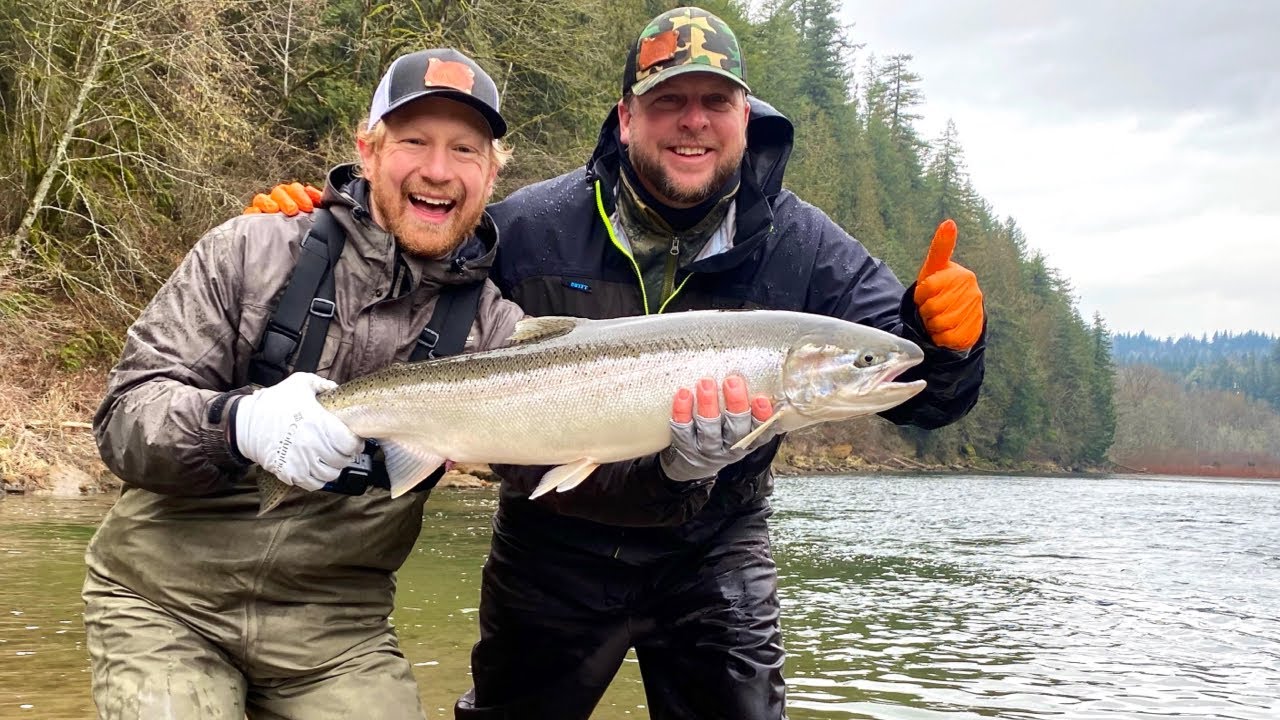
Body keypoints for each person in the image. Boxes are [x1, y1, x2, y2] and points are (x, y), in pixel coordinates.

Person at [254, 8, 986, 718]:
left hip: (715, 546)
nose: (693, 121)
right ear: (627, 117)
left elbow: (916, 393)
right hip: (553, 541)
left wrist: (948, 347)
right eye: (668, 101)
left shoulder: (808, 247)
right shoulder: (533, 225)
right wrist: (323, 229)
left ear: (746, 114)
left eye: (715, 101)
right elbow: (415, 266)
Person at [84, 48, 527, 719]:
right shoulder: (250, 249)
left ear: (491, 173)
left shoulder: (498, 330)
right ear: (369, 151)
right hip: (164, 601)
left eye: (465, 149)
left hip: (335, 636)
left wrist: (683, 449)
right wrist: (238, 424)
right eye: (414, 141)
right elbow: (124, 422)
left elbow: (558, 467)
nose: (438, 170)